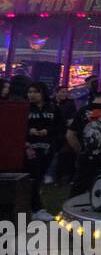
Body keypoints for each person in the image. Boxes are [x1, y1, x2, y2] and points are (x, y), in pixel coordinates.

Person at [67, 84, 101, 199]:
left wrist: (80, 151)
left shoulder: (83, 110)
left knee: (78, 190)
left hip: (86, 158)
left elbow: (70, 135)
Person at [24, 82, 60, 221]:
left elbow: (60, 126)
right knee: (34, 177)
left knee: (39, 178)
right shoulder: (25, 108)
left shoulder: (53, 108)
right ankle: (37, 208)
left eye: (35, 91)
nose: (31, 95)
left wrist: (48, 131)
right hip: (29, 148)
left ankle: (34, 208)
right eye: (29, 92)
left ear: (42, 93)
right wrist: (29, 130)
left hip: (47, 148)